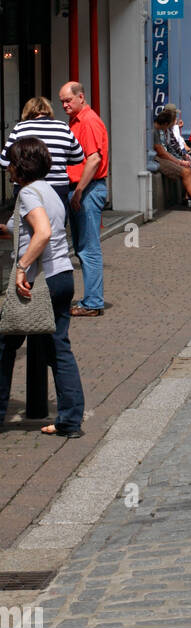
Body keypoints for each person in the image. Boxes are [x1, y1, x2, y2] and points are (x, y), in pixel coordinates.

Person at [0, 138, 85, 437]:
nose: (8, 167)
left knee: (5, 342)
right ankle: (70, 421)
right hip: (62, 276)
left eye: (11, 162)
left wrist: (21, 266)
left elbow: (43, 232)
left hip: (40, 280)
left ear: (20, 166)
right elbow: (23, 228)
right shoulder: (48, 191)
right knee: (58, 348)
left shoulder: (28, 193)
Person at [59, 81, 109, 317]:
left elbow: (94, 159)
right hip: (86, 189)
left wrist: (79, 190)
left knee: (88, 249)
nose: (65, 105)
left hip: (87, 190)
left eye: (68, 100)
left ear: (81, 97)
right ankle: (91, 300)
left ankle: (92, 302)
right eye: (62, 102)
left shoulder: (87, 121)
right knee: (83, 248)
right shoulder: (79, 120)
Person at [0, 97, 84, 212]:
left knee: (27, 227)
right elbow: (79, 157)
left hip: (26, 187)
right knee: (56, 225)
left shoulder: (20, 128)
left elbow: (4, 161)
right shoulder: (63, 127)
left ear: (27, 111)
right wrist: (59, 159)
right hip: (58, 188)